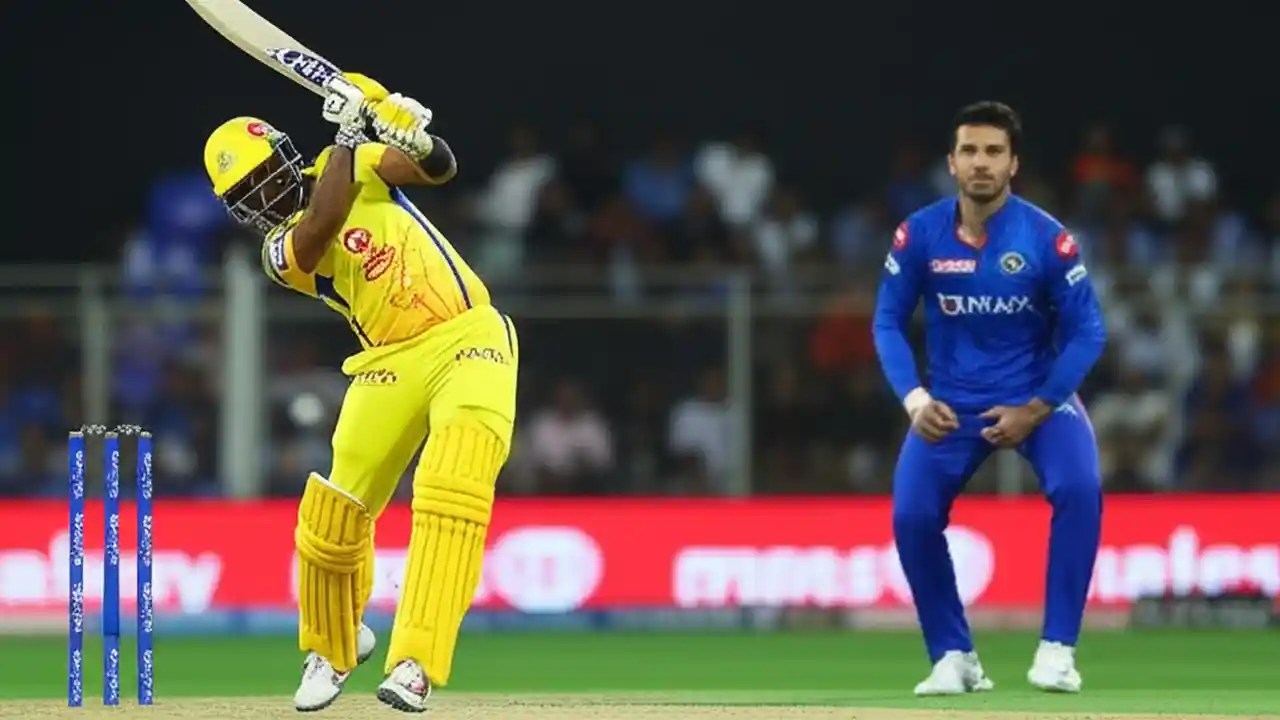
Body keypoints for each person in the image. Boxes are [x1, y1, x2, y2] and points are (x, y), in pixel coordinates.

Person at [201, 73, 519, 712]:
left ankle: (415, 664)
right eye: (247, 194)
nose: (265, 196)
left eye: (266, 177)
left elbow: (439, 168)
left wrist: (408, 131)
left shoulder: (353, 165)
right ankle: (332, 646)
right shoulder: (279, 250)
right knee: (332, 510)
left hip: (468, 335)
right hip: (387, 362)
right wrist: (348, 131)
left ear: (287, 158)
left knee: (453, 485)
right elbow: (322, 225)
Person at [872, 101, 1107, 696]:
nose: (981, 163)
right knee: (911, 515)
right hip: (950, 403)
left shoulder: (1048, 239)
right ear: (952, 162)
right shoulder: (919, 234)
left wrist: (1038, 408)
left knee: (1080, 488)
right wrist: (916, 401)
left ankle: (1057, 651)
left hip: (1037, 398)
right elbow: (887, 321)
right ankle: (954, 657)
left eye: (994, 152)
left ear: (1013, 164)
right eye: (970, 151)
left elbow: (1088, 331)